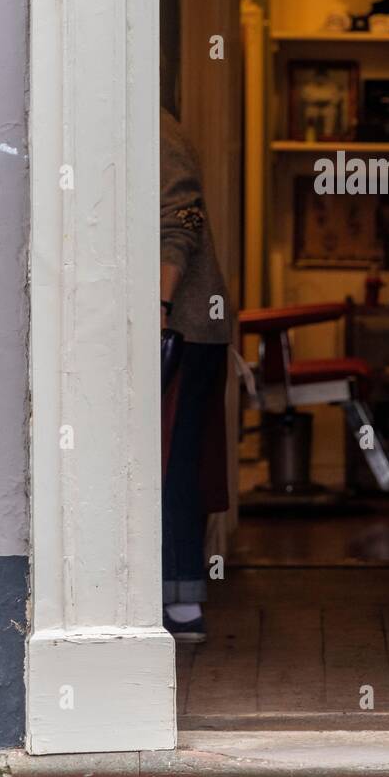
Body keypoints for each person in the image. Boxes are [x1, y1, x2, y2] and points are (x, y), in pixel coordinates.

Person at [159, 106, 231, 643]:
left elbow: (182, 215)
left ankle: (182, 603)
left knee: (173, 462)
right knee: (171, 460)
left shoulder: (154, 128)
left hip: (183, 323)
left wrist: (159, 304)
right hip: (184, 321)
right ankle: (175, 597)